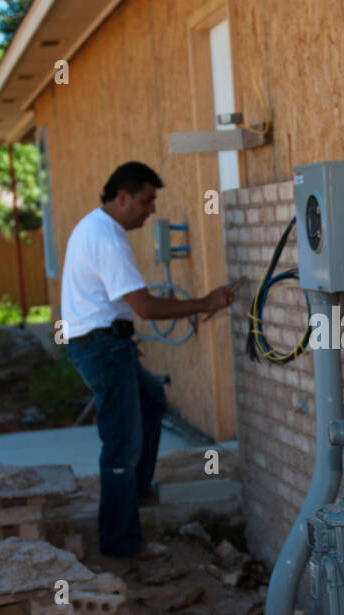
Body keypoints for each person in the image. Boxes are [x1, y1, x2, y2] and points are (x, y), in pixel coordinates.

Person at [61, 161, 243, 559]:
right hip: (102, 348)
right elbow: (145, 306)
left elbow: (114, 303)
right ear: (122, 198)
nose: (151, 210)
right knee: (121, 444)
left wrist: (122, 335)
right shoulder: (106, 238)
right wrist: (205, 303)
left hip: (104, 343)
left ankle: (137, 493)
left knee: (151, 401)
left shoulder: (94, 227)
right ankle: (121, 542)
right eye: (146, 201)